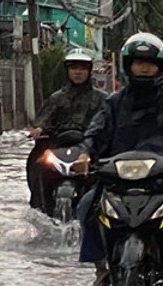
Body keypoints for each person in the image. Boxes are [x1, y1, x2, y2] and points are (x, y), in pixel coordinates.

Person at [72, 32, 163, 286]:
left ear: (161, 67)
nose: (143, 67)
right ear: (128, 65)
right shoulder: (114, 102)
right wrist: (85, 154)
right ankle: (101, 268)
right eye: (138, 62)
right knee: (85, 207)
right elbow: (96, 132)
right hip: (118, 181)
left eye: (149, 63)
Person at [27, 48, 107, 208]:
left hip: (89, 147)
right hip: (58, 145)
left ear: (89, 72)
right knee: (37, 165)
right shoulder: (57, 97)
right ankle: (39, 207)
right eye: (74, 68)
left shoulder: (101, 98)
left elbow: (108, 122)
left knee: (106, 170)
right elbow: (44, 118)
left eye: (82, 69)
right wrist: (39, 129)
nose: (78, 72)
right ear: (68, 71)